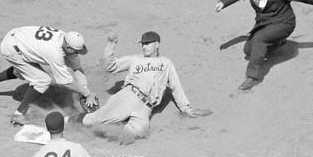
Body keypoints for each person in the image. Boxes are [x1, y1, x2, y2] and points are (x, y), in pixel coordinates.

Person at [71, 31, 210, 141]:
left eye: (148, 43)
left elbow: (175, 86)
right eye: (143, 44)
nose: (144, 46)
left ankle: (114, 124)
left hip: (146, 107)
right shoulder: (135, 59)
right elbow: (110, 66)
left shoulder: (167, 63)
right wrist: (110, 45)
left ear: (157, 44)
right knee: (94, 120)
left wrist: (185, 108)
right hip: (129, 96)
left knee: (138, 132)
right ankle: (64, 123)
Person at [215, 0, 313, 91]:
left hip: (284, 23)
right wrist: (222, 3)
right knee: (248, 51)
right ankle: (276, 42)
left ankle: (254, 76)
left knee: (259, 39)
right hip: (265, 23)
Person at [0, 26, 98, 126]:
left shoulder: (65, 40)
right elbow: (65, 82)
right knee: (42, 81)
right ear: (68, 47)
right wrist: (88, 94)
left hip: (22, 39)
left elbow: (77, 67)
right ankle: (18, 115)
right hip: (12, 48)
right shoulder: (55, 52)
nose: (77, 54)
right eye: (75, 52)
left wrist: (85, 90)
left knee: (22, 72)